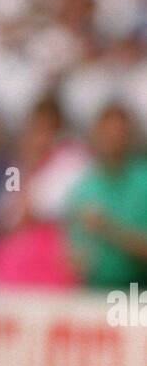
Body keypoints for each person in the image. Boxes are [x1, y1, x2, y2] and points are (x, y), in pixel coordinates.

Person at [67, 103, 147, 289]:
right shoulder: (83, 187)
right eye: (108, 133)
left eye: (119, 134)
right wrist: (75, 260)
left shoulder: (143, 182)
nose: (113, 139)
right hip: (94, 296)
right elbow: (72, 253)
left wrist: (109, 229)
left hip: (138, 293)